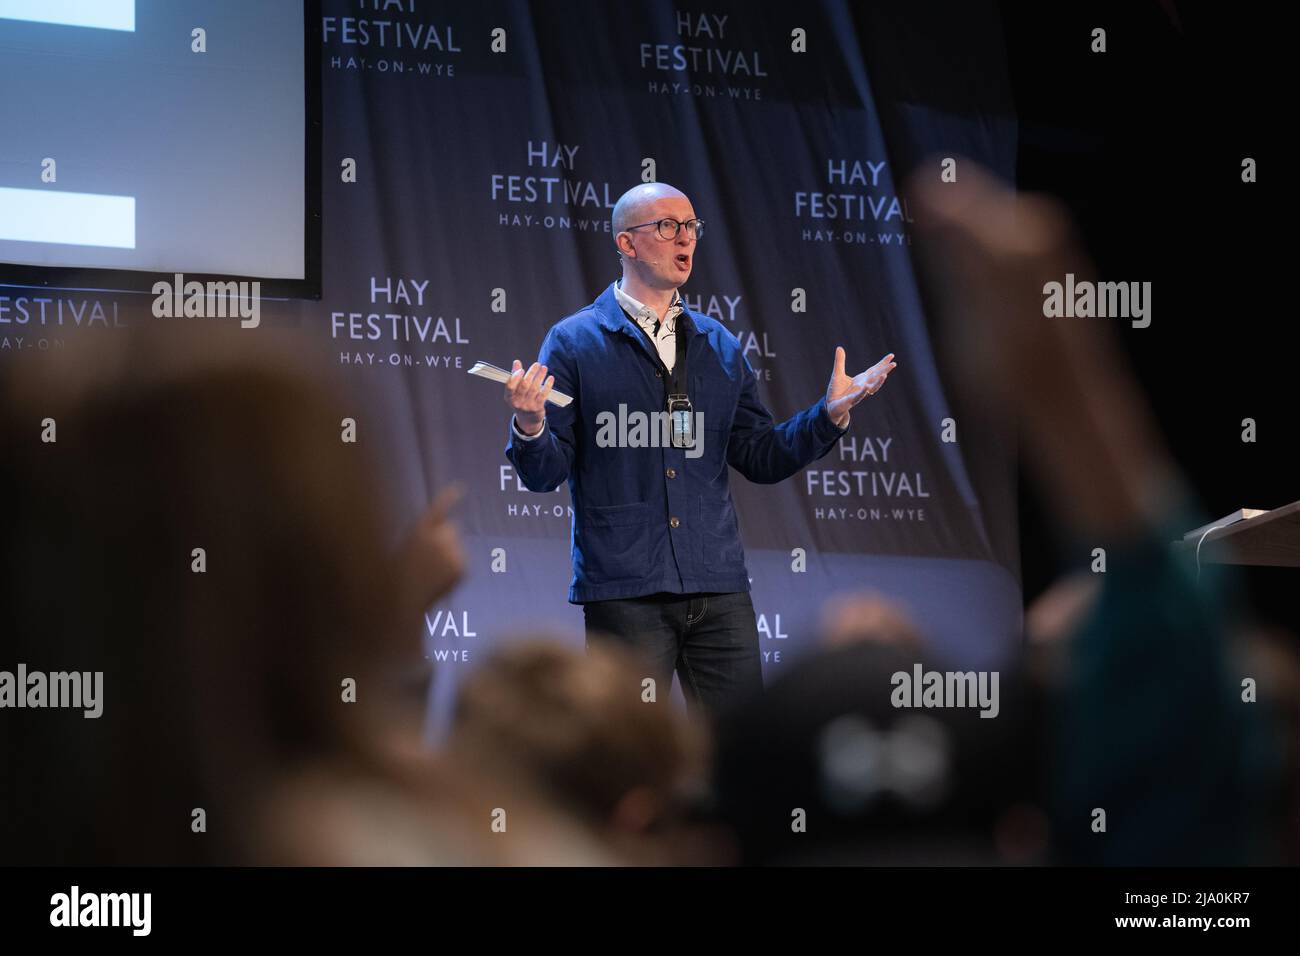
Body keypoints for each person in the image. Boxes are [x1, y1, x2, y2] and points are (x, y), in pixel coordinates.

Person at [503, 181, 897, 718]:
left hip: (718, 587)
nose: (684, 238)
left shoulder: (719, 344)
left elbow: (760, 455)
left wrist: (828, 416)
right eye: (667, 226)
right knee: (628, 753)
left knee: (744, 751)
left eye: (691, 226)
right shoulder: (575, 341)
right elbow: (545, 473)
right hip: (626, 589)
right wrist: (530, 422)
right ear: (628, 243)